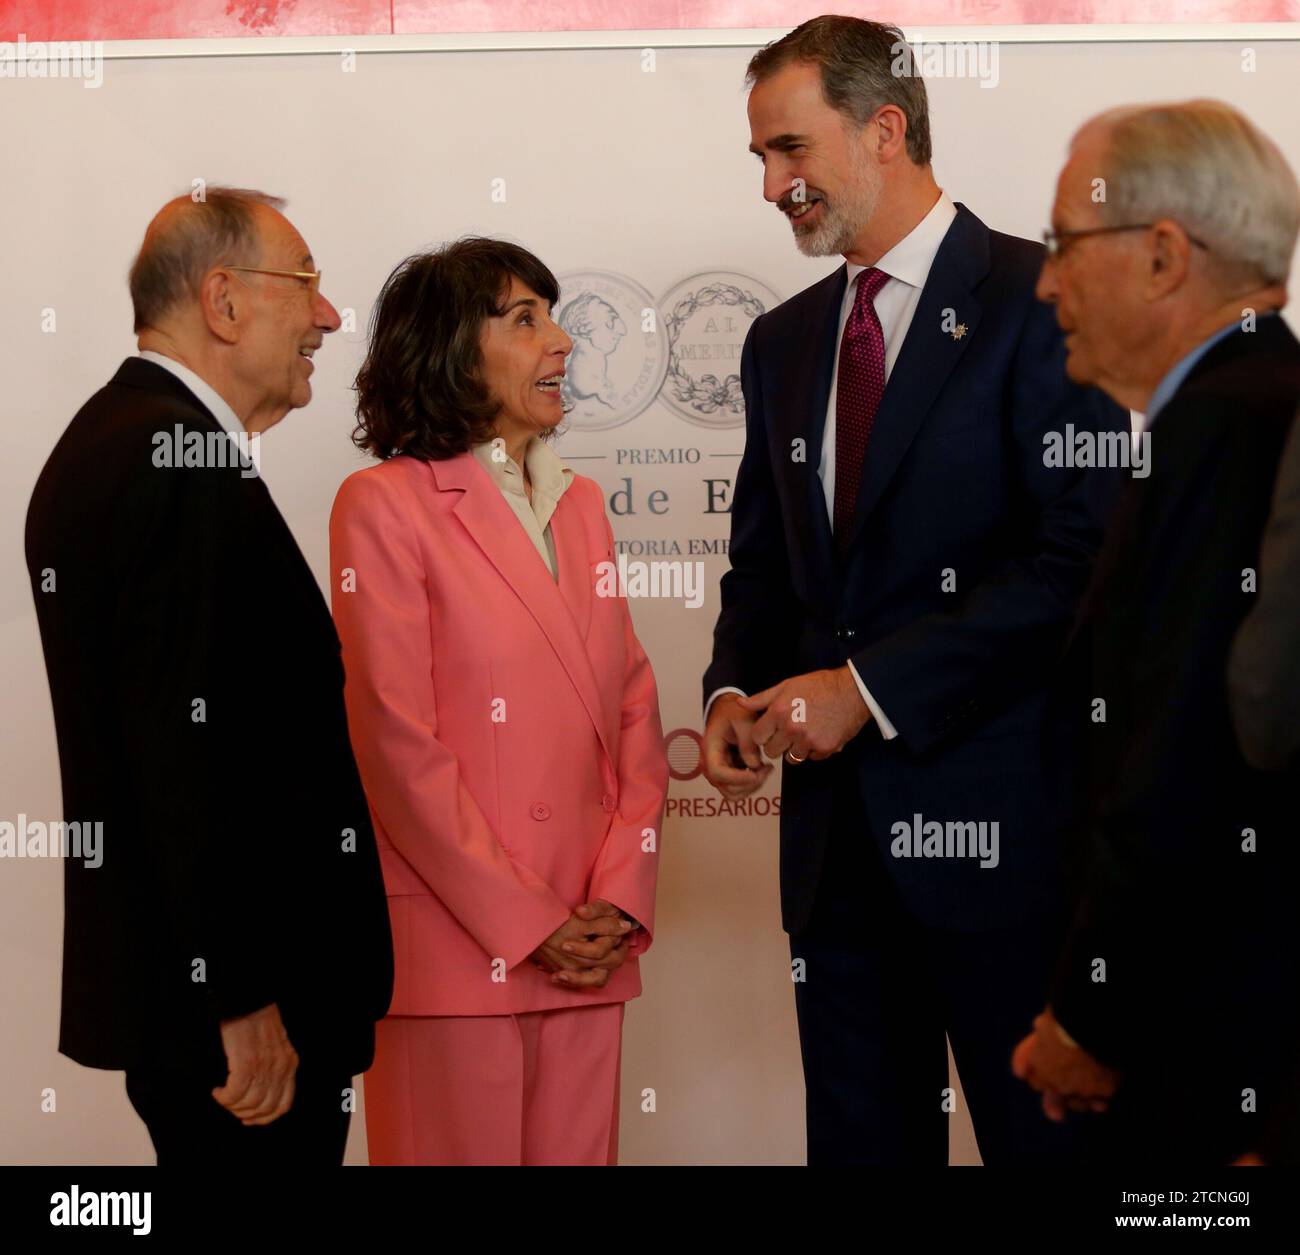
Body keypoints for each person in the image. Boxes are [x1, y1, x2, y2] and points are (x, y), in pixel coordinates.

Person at [700, 15, 1126, 1165]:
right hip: (835, 873)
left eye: (789, 151)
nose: (772, 186)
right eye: (760, 161)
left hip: (1012, 858)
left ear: (885, 129)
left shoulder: (1044, 298)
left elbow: (1077, 564)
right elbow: (764, 566)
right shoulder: (781, 343)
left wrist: (866, 690)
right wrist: (733, 690)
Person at [24, 187, 393, 1164]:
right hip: (239, 1017)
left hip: (220, 1000)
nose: (326, 315)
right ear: (222, 301)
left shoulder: (131, 441)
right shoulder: (165, 459)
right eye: (305, 283)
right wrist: (234, 995)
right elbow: (179, 753)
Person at [330, 237, 667, 1166]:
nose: (561, 341)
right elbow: (395, 745)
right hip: (453, 956)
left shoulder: (583, 503)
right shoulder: (381, 505)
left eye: (551, 316)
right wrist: (532, 922)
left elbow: (634, 712)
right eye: (525, 319)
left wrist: (617, 902)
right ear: (448, 348)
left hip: (593, 952)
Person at [1014, 99, 1300, 1165]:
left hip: (1213, 1045)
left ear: (1164, 255)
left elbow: (1186, 756)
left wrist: (1093, 1015)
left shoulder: (1231, 424)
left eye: (1063, 246)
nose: (1045, 284)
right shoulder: (1239, 408)